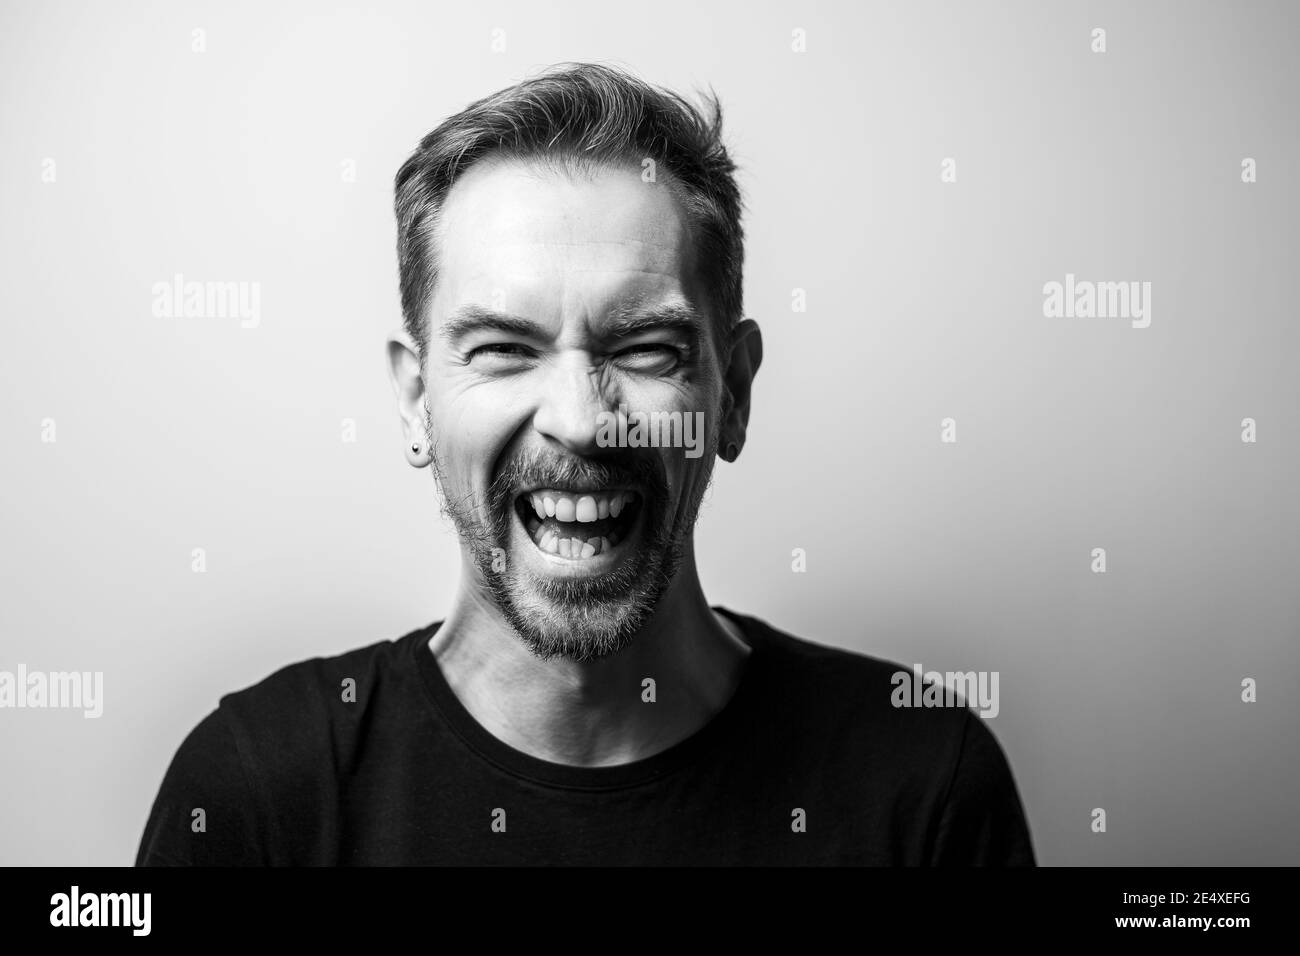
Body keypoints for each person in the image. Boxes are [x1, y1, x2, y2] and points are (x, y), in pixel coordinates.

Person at [136, 62, 1035, 866]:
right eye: (501, 347)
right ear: (416, 401)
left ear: (735, 394)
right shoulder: (258, 795)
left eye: (645, 348)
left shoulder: (923, 781)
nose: (580, 423)